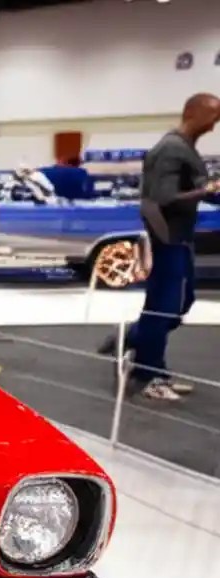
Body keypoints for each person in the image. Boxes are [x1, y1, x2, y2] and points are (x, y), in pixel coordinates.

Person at [99, 93, 220, 401]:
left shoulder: (185, 148)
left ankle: (131, 338)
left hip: (180, 237)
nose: (216, 121)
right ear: (192, 112)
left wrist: (208, 192)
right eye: (213, 114)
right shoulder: (171, 149)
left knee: (180, 303)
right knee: (164, 308)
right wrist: (205, 189)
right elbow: (162, 198)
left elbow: (185, 192)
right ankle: (147, 374)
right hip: (168, 238)